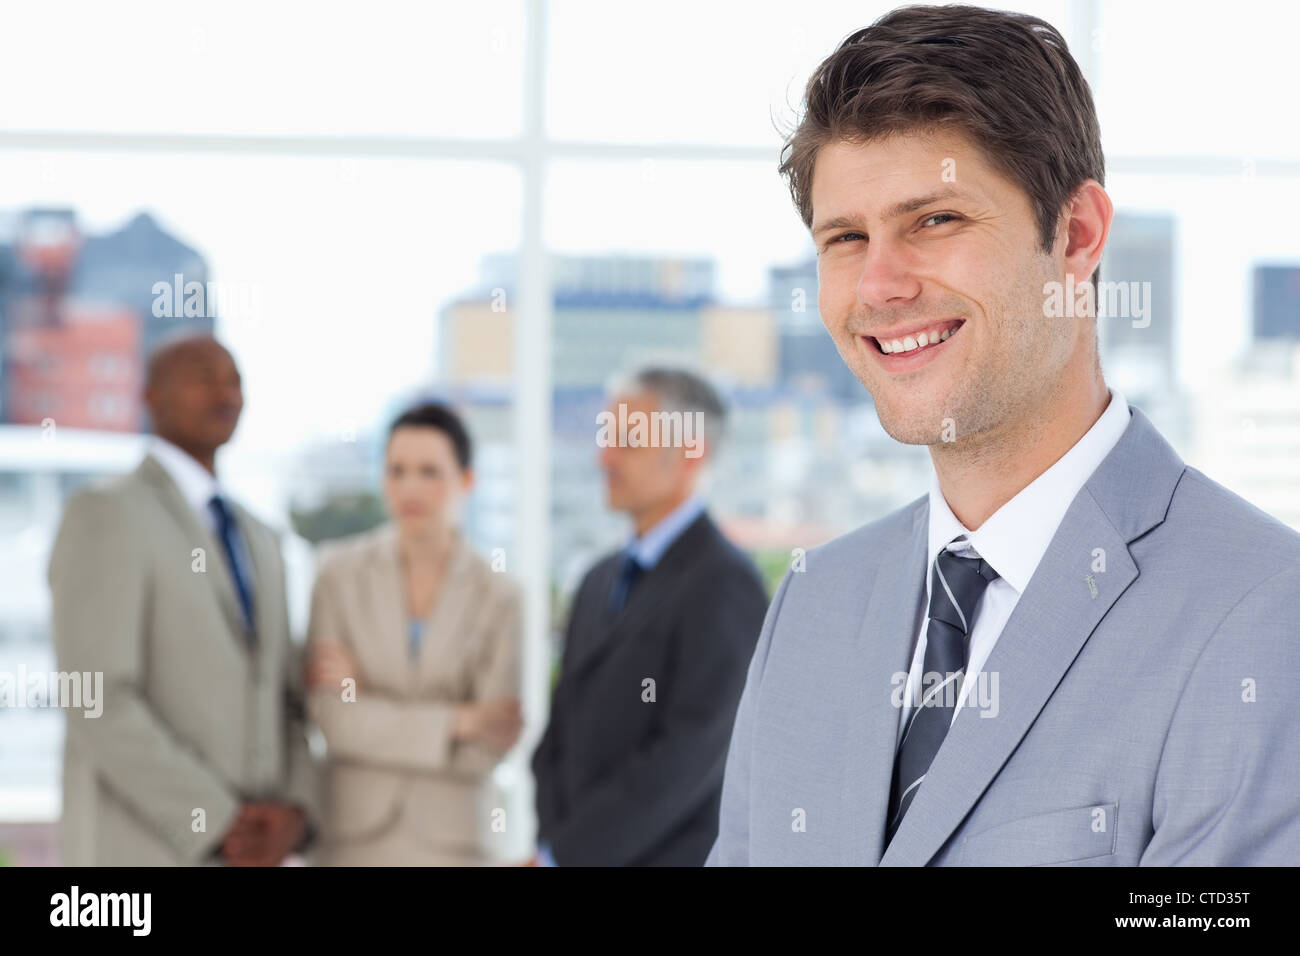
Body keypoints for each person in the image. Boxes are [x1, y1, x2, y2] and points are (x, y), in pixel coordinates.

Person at [708, 5, 1300, 866]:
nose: (879, 285)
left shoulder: (1263, 614)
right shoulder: (814, 603)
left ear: (1078, 236)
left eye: (935, 221)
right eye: (846, 237)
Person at [48, 331, 321, 866]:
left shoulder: (262, 537)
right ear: (150, 396)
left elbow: (285, 697)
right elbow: (96, 696)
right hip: (142, 856)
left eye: (236, 381)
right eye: (203, 377)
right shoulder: (105, 514)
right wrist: (215, 819)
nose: (225, 393)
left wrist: (296, 809)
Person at [530, 367, 769, 866]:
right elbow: (560, 733)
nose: (604, 458)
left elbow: (690, 756)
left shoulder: (725, 583)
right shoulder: (597, 579)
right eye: (606, 438)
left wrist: (566, 854)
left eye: (628, 441)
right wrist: (553, 846)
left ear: (691, 453)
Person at [304, 402, 523, 866]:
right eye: (396, 471)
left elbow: (490, 743)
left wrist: (370, 706)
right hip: (351, 838)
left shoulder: (502, 595)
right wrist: (456, 721)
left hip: (458, 843)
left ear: (467, 481)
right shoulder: (336, 576)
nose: (410, 488)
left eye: (429, 472)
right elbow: (332, 719)